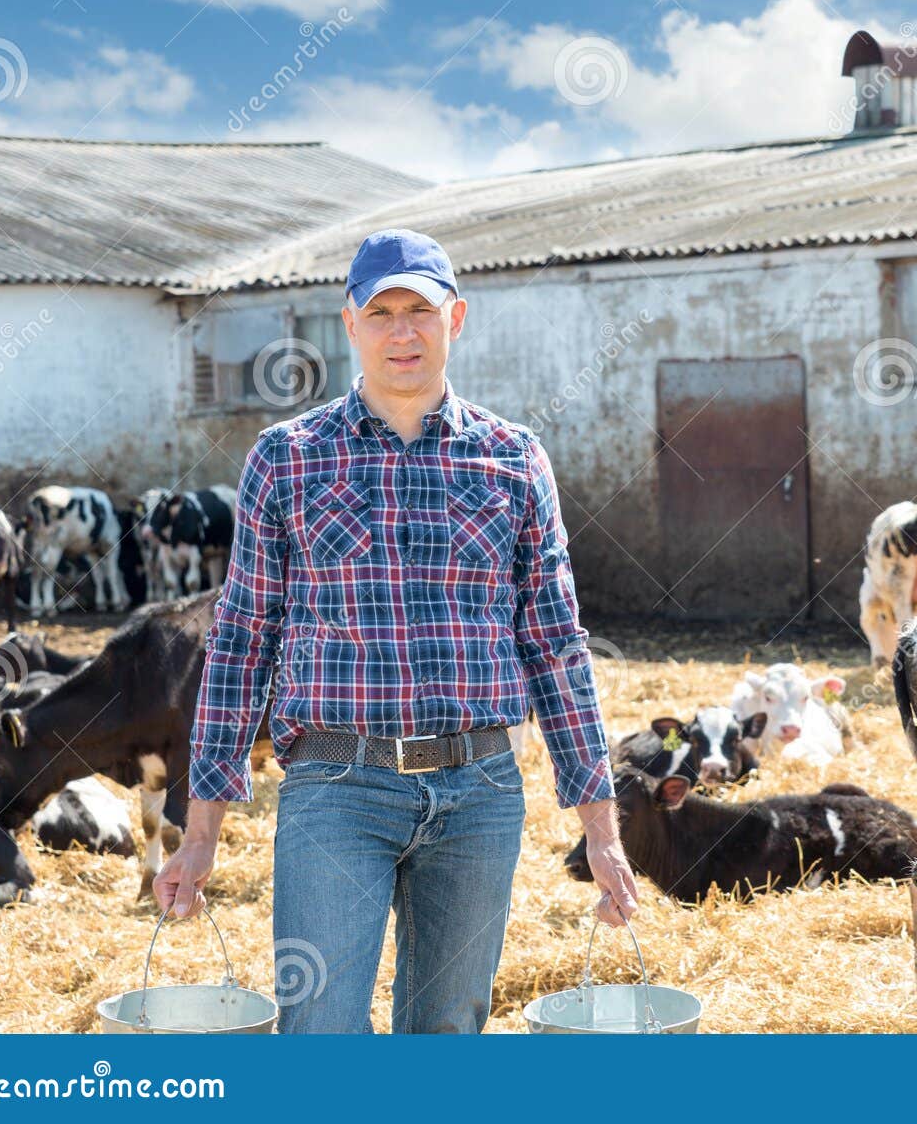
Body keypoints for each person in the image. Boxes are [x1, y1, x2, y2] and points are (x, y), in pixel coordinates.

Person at [152, 228, 638, 1033]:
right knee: (320, 1027)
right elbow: (241, 643)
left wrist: (602, 833)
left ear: (458, 318)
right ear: (349, 324)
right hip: (339, 785)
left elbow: (556, 645)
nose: (402, 330)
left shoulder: (515, 460)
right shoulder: (289, 458)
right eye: (382, 311)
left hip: (479, 787)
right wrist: (201, 832)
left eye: (421, 309)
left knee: (446, 1030)